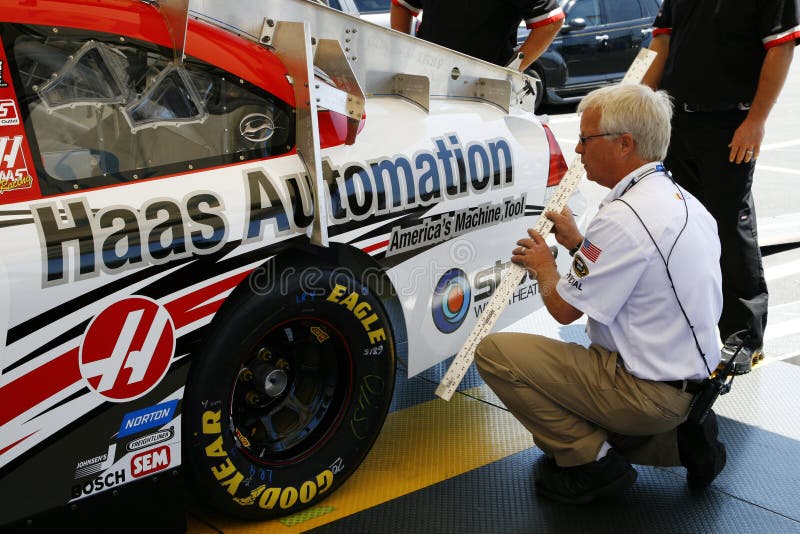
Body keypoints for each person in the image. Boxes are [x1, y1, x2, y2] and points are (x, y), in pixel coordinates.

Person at [474, 84, 726, 504]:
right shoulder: (682, 201)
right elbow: (633, 269)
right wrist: (578, 244)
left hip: (644, 393)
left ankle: (591, 464)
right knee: (578, 386)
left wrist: (544, 266)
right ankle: (680, 443)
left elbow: (564, 310)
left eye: (586, 139)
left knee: (496, 354)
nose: (578, 150)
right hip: (688, 384)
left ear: (624, 144)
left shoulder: (624, 218)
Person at [642, 0, 799, 374]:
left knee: (729, 225)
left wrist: (756, 121)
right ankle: (685, 324)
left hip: (730, 123)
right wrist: (636, 103)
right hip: (674, 122)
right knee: (678, 225)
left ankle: (743, 336)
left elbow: (780, 49)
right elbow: (661, 42)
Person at [389, 0, 564, 72]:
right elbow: (402, 5)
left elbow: (551, 20)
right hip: (426, 75)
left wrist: (510, 72)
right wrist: (404, 55)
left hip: (482, 88)